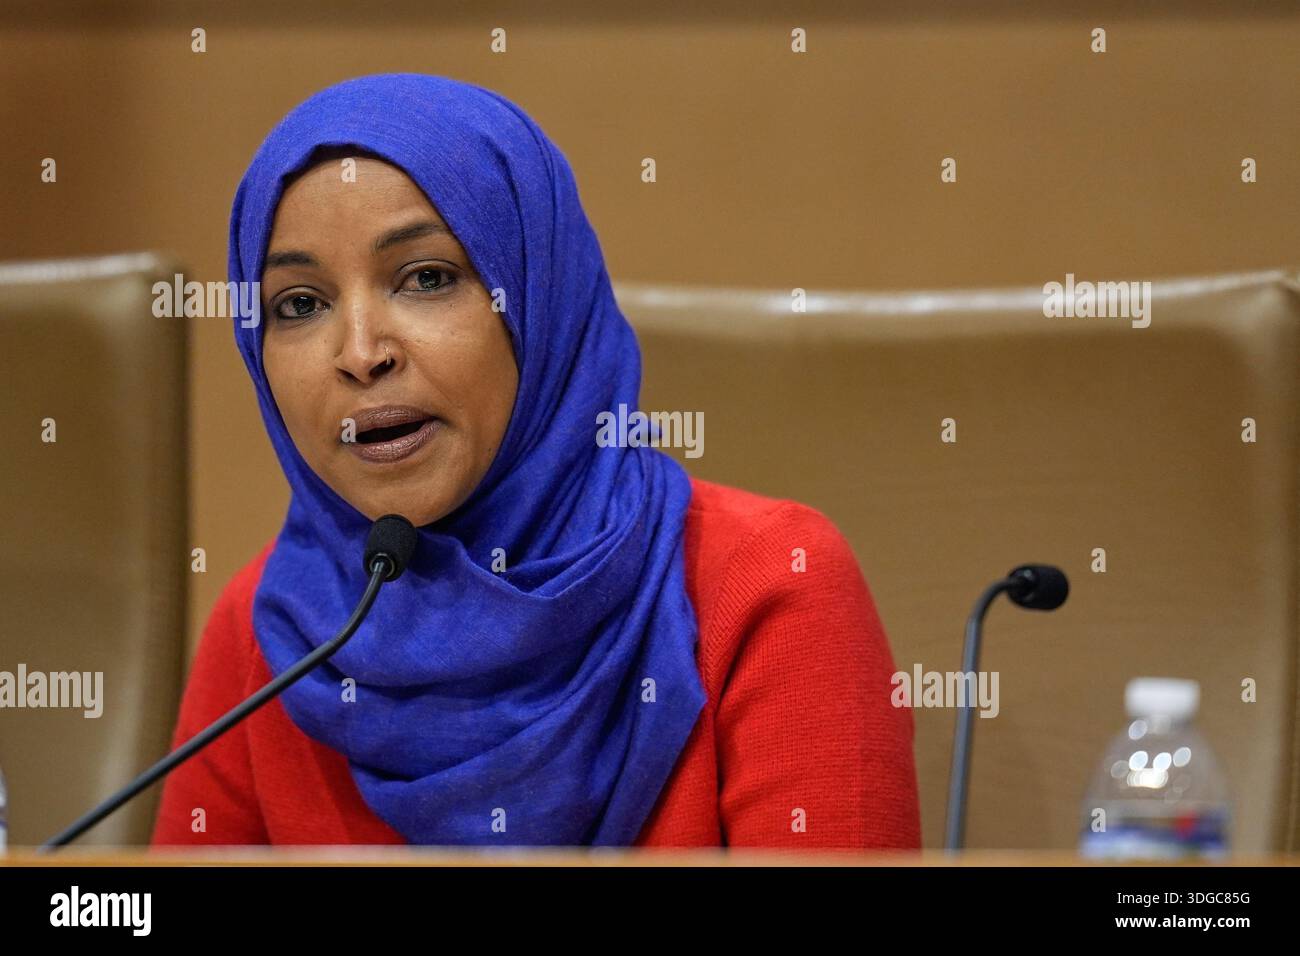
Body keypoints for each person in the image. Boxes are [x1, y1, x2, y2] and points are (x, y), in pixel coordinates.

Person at [150, 73, 921, 849]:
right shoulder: (273, 634)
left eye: (427, 279)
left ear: (541, 299)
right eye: (300, 304)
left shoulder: (769, 588)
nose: (359, 354)